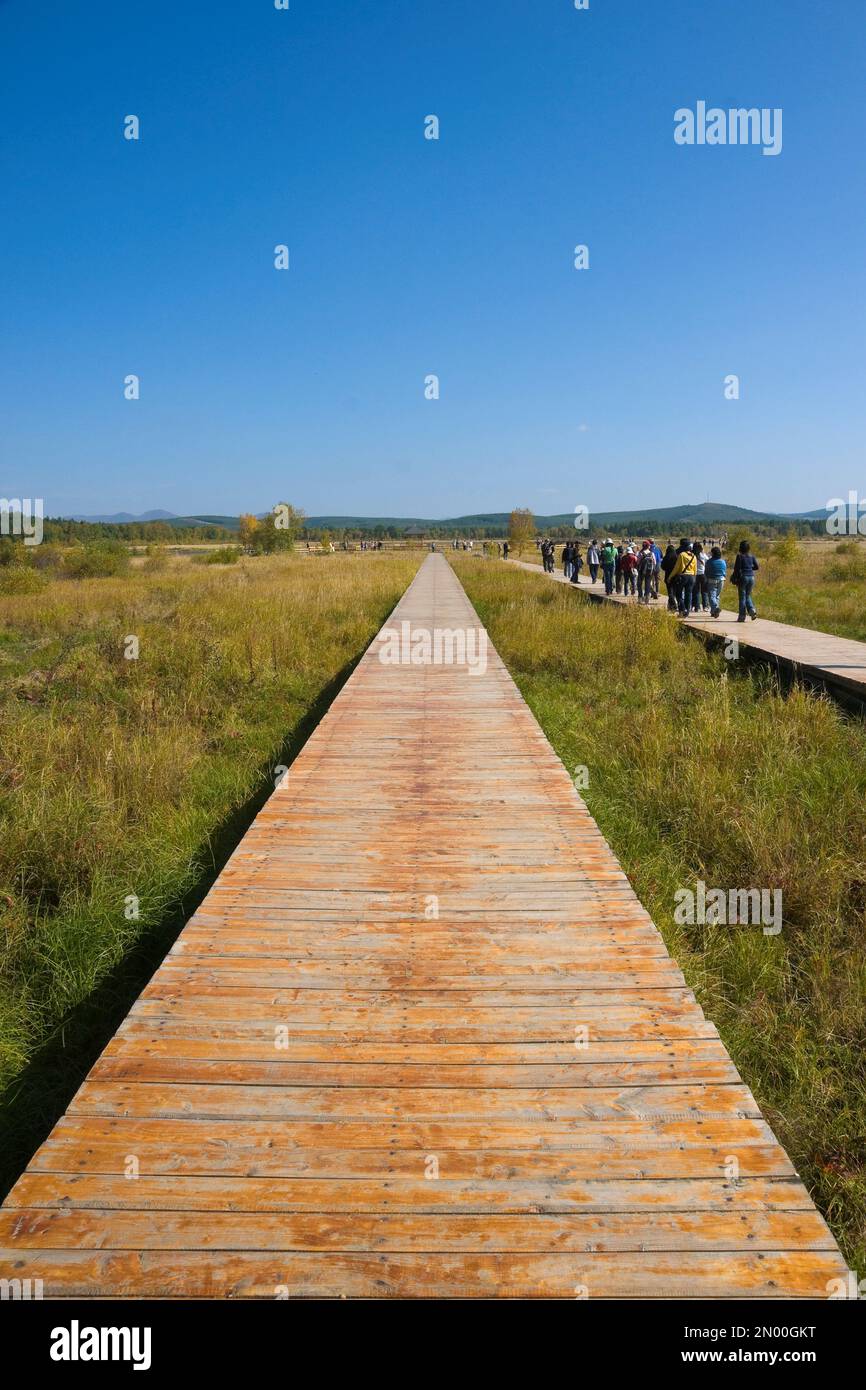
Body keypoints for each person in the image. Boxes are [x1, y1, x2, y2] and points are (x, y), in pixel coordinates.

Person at [732, 540, 759, 621]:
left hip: (743, 578)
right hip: (751, 577)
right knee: (747, 595)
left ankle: (742, 616)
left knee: (742, 597)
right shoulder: (752, 556)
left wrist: (735, 579)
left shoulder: (739, 556)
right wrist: (750, 568)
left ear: (740, 547)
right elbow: (757, 567)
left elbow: (736, 569)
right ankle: (751, 610)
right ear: (748, 548)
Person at [669, 538, 697, 616]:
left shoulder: (681, 555)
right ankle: (687, 611)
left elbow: (676, 568)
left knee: (679, 594)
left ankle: (682, 610)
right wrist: (694, 578)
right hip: (692, 577)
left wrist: (670, 576)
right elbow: (695, 569)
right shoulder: (694, 556)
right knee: (688, 594)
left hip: (683, 576)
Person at [705, 545, 727, 617]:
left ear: (713, 553)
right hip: (721, 580)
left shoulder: (709, 562)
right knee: (717, 596)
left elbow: (706, 572)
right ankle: (713, 612)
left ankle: (715, 608)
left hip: (712, 580)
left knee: (712, 596)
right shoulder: (723, 561)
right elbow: (724, 571)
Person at [691, 541, 709, 612]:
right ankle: (705, 606)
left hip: (695, 574)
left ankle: (697, 607)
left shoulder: (692, 555)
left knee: (696, 591)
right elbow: (707, 560)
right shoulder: (702, 555)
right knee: (704, 591)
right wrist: (703, 551)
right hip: (703, 574)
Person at [637, 540, 656, 605]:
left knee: (639, 584)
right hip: (649, 571)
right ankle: (647, 599)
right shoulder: (651, 553)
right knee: (647, 584)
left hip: (641, 571)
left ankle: (640, 598)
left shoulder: (641, 553)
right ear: (648, 546)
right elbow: (655, 563)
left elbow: (638, 562)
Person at [661, 542, 677, 610]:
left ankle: (672, 605)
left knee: (670, 591)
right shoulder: (677, 557)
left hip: (668, 575)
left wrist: (667, 569)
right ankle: (671, 605)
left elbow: (662, 566)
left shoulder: (666, 557)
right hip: (676, 576)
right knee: (674, 592)